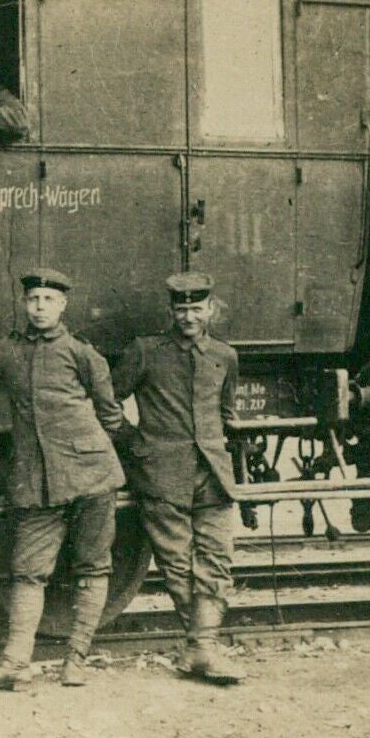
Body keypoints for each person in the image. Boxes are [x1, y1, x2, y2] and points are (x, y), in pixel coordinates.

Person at [0, 269, 128, 688]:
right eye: (33, 299)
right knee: (27, 571)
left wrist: (88, 455)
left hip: (92, 477)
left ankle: (76, 659)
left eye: (48, 300)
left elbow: (110, 415)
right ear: (24, 304)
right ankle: (15, 664)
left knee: (93, 567)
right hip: (36, 480)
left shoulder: (82, 354)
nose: (40, 307)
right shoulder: (7, 351)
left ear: (62, 305)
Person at [112, 272, 244, 686]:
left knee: (216, 559)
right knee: (177, 562)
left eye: (196, 309)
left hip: (212, 473)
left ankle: (200, 649)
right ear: (171, 311)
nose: (188, 317)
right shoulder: (146, 351)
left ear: (210, 310)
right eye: (181, 309)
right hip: (161, 473)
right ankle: (203, 648)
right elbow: (108, 401)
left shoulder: (224, 355)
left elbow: (226, 412)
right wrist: (135, 441)